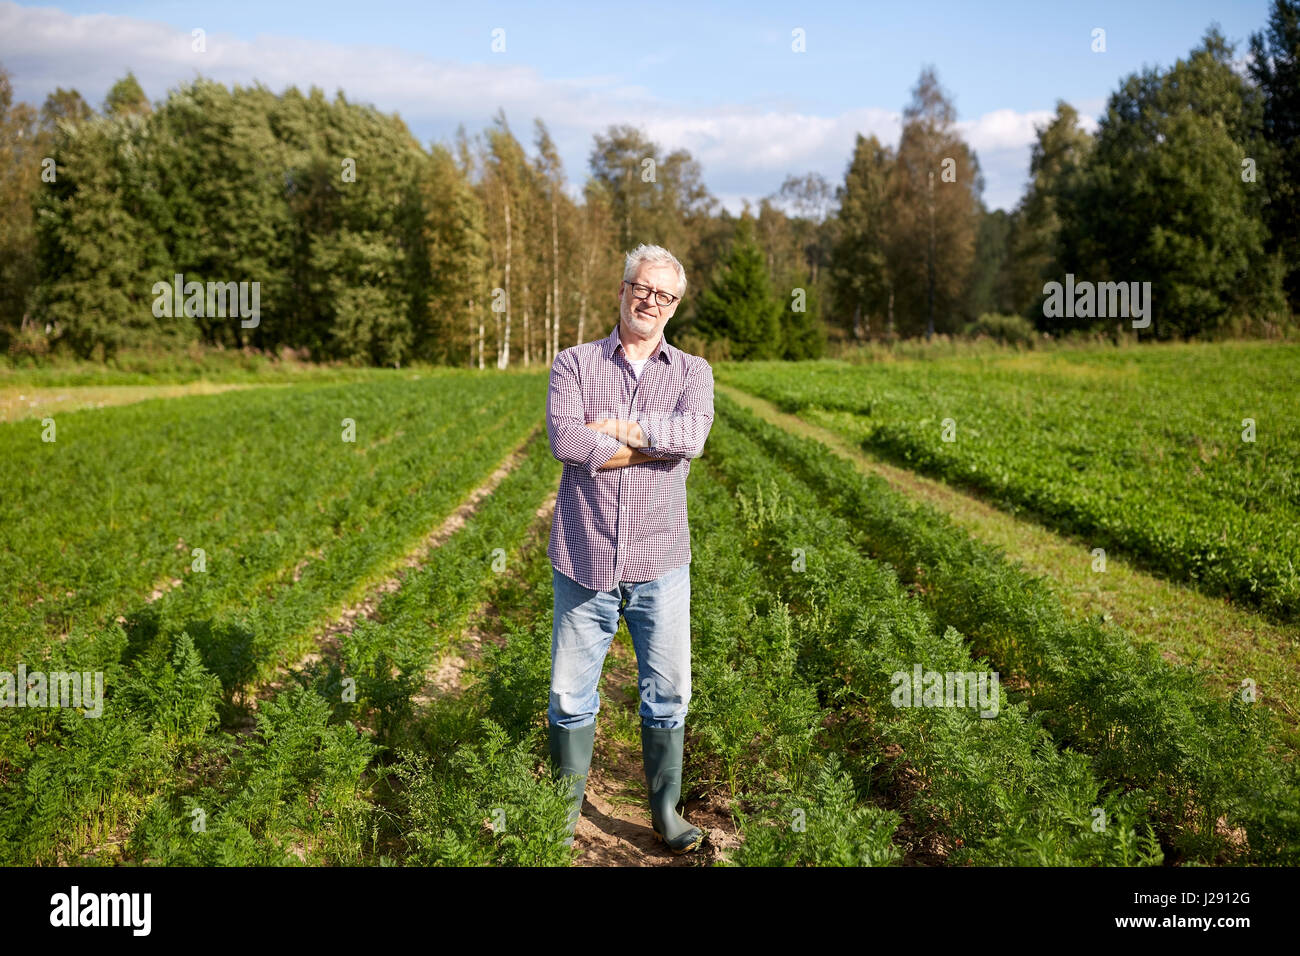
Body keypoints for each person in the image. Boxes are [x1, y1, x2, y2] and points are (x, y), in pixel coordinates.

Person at [544, 243, 714, 855]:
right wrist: (654, 447)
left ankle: (666, 812)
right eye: (642, 288)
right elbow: (566, 441)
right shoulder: (574, 363)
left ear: (674, 306)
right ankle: (563, 817)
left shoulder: (693, 371)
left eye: (665, 295)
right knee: (569, 694)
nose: (651, 301)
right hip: (583, 556)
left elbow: (691, 437)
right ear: (621, 289)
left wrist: (621, 430)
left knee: (668, 692)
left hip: (659, 560)